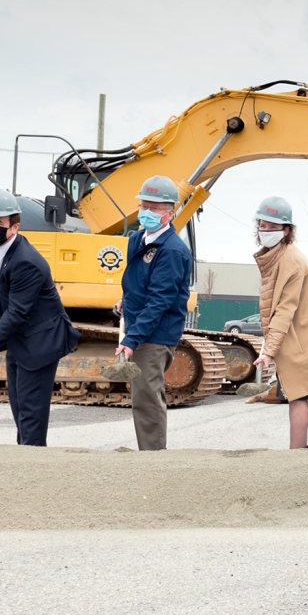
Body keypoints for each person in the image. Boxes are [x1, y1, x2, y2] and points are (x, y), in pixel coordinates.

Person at [251, 196, 308, 449]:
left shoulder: (290, 260)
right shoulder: (278, 256)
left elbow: (284, 310)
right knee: (295, 396)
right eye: (263, 225)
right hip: (299, 338)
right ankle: (297, 452)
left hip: (304, 341)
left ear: (286, 230)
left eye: (273, 227)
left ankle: (296, 454)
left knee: (297, 396)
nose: (266, 231)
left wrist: (268, 351)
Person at [115, 176, 193, 451]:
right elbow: (136, 281)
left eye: (155, 208)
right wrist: (125, 300)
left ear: (170, 212)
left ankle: (153, 458)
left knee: (147, 397)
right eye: (144, 205)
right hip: (139, 328)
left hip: (156, 335)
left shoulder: (172, 251)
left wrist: (131, 339)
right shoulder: (137, 239)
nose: (146, 212)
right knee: (141, 396)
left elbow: (160, 301)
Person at [0, 190, 81, 446]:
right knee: (20, 411)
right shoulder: (5, 253)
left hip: (39, 343)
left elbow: (16, 313)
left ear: (14, 226)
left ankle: (35, 466)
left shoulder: (26, 262)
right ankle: (27, 461)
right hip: (19, 342)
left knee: (31, 414)